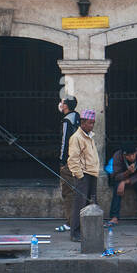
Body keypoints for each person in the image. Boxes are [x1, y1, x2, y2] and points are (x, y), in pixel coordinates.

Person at [66, 109, 101, 242]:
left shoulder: (89, 136)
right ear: (83, 123)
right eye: (90, 123)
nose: (92, 125)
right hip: (83, 175)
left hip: (91, 173)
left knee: (91, 203)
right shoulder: (76, 138)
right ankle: (75, 233)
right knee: (80, 204)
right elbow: (73, 159)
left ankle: (88, 230)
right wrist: (79, 176)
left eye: (93, 123)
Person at [107, 143, 137, 226]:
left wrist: (125, 182)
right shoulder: (118, 155)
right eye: (129, 156)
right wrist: (127, 172)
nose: (132, 157)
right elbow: (116, 175)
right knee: (117, 189)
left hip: (136, 178)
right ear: (125, 155)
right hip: (121, 177)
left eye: (133, 154)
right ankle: (114, 217)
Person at [56, 97, 80, 232]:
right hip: (79, 161)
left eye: (62, 102)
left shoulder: (67, 121)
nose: (61, 104)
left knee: (68, 192)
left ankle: (71, 222)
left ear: (66, 106)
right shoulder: (77, 117)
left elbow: (65, 142)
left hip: (69, 162)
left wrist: (62, 161)